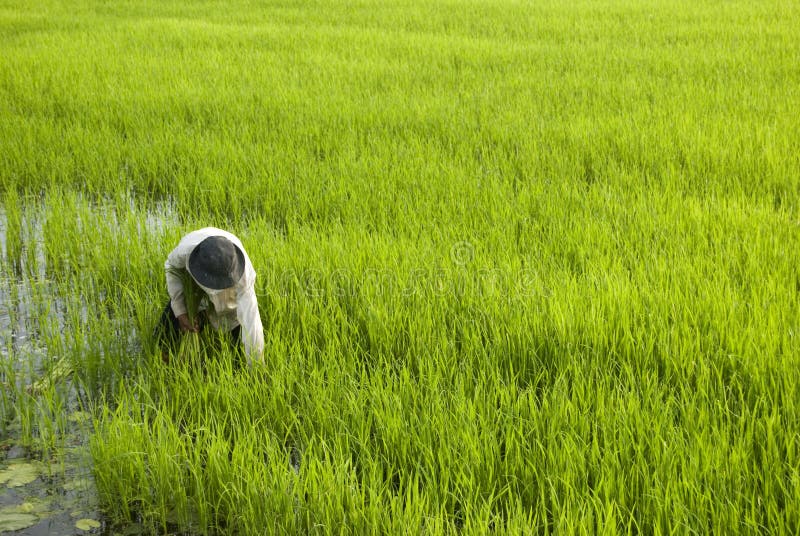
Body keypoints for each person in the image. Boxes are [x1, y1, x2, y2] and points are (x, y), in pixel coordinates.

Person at [156, 227, 264, 365]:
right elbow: (171, 268)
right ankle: (164, 355)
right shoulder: (185, 251)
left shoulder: (243, 276)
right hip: (193, 287)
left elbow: (252, 323)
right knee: (168, 329)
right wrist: (180, 311)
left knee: (236, 331)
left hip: (229, 291)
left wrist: (256, 367)